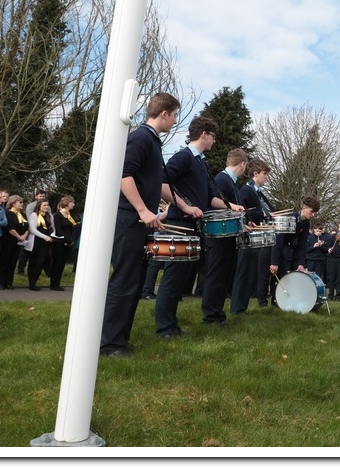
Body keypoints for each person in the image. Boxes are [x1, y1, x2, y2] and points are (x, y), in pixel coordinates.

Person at [100, 92, 180, 357]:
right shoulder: (142, 137)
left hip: (139, 220)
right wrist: (143, 210)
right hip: (128, 220)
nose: (175, 121)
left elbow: (149, 184)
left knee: (134, 282)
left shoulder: (153, 141)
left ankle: (120, 339)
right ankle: (109, 344)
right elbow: (123, 175)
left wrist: (156, 211)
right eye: (174, 115)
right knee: (123, 282)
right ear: (164, 113)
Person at [155, 117, 233, 336]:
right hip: (178, 225)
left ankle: (171, 324)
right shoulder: (183, 157)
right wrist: (186, 206)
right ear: (204, 134)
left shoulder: (200, 162)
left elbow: (209, 197)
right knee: (173, 278)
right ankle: (165, 328)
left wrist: (231, 206)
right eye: (214, 137)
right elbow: (162, 184)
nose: (215, 142)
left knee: (181, 279)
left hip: (192, 227)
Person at [200, 148, 249, 326]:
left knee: (222, 276)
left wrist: (244, 223)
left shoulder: (231, 182)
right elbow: (215, 206)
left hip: (226, 236)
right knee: (215, 275)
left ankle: (217, 313)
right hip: (217, 236)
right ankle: (211, 315)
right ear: (242, 164)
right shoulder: (222, 179)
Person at [232, 157, 275, 313]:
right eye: (265, 174)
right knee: (242, 274)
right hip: (245, 237)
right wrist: (260, 213)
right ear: (255, 174)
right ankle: (237, 308)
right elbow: (241, 212)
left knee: (249, 275)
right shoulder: (246, 190)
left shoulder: (256, 191)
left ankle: (241, 308)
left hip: (252, 238)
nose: (267, 177)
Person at [270, 196, 321, 304]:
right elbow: (278, 241)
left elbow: (302, 245)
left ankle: (286, 303)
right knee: (274, 278)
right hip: (275, 249)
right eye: (311, 211)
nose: (313, 215)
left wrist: (300, 263)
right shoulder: (289, 218)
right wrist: (274, 262)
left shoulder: (306, 223)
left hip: (290, 251)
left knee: (289, 277)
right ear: (303, 208)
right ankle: (269, 304)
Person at [0, 194, 29, 290]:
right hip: (8, 240)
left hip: (19, 242)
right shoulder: (8, 213)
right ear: (13, 203)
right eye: (20, 202)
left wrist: (24, 235)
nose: (22, 204)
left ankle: (9, 282)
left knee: (13, 262)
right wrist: (18, 236)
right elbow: (9, 227)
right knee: (4, 261)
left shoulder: (23, 215)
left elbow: (27, 227)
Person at [49, 196, 79, 292]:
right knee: (57, 262)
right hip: (60, 242)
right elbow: (58, 229)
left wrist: (71, 240)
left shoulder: (70, 216)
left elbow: (73, 228)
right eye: (72, 202)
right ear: (66, 203)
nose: (73, 204)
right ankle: (53, 283)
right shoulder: (57, 215)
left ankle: (58, 282)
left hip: (68, 242)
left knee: (62, 263)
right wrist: (66, 240)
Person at [25, 199, 53, 291]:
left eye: (47, 205)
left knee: (40, 262)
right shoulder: (34, 215)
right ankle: (31, 283)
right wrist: (44, 237)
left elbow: (52, 227)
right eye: (44, 205)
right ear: (39, 206)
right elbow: (32, 229)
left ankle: (34, 282)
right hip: (36, 240)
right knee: (33, 262)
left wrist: (51, 236)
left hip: (45, 241)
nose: (46, 207)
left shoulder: (49, 216)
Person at [18, 189, 47, 275]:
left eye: (43, 197)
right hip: (31, 229)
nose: (42, 198)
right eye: (40, 196)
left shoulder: (46, 206)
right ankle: (21, 269)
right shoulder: (31, 206)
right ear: (36, 196)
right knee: (25, 252)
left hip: (41, 231)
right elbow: (29, 217)